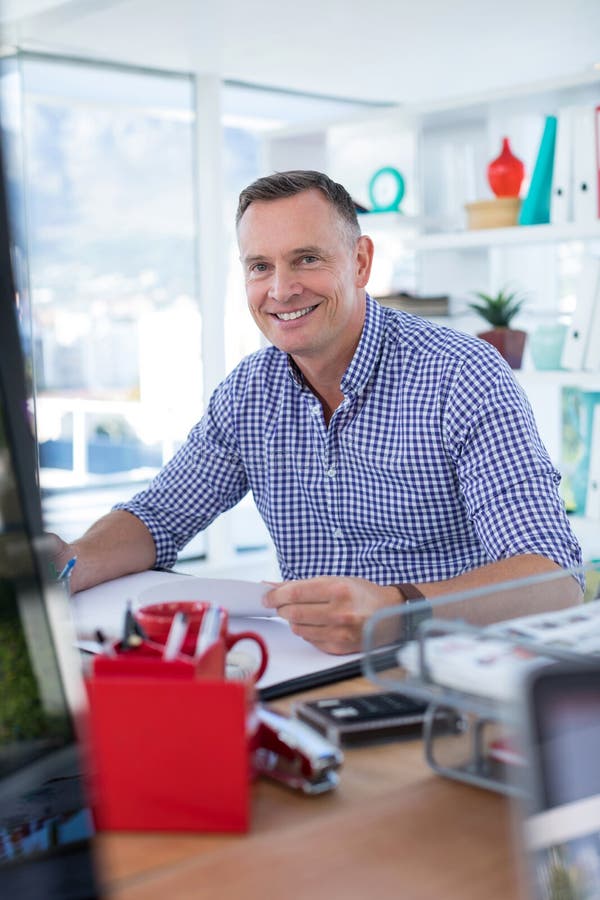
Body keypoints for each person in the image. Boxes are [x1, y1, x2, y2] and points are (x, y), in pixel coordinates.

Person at [52, 170, 583, 654]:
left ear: (360, 262)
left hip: (455, 671)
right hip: (309, 677)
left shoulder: (461, 374)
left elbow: (554, 581)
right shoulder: (249, 393)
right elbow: (158, 517)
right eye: (261, 266)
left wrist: (399, 610)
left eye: (306, 258)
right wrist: (67, 563)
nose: (281, 289)